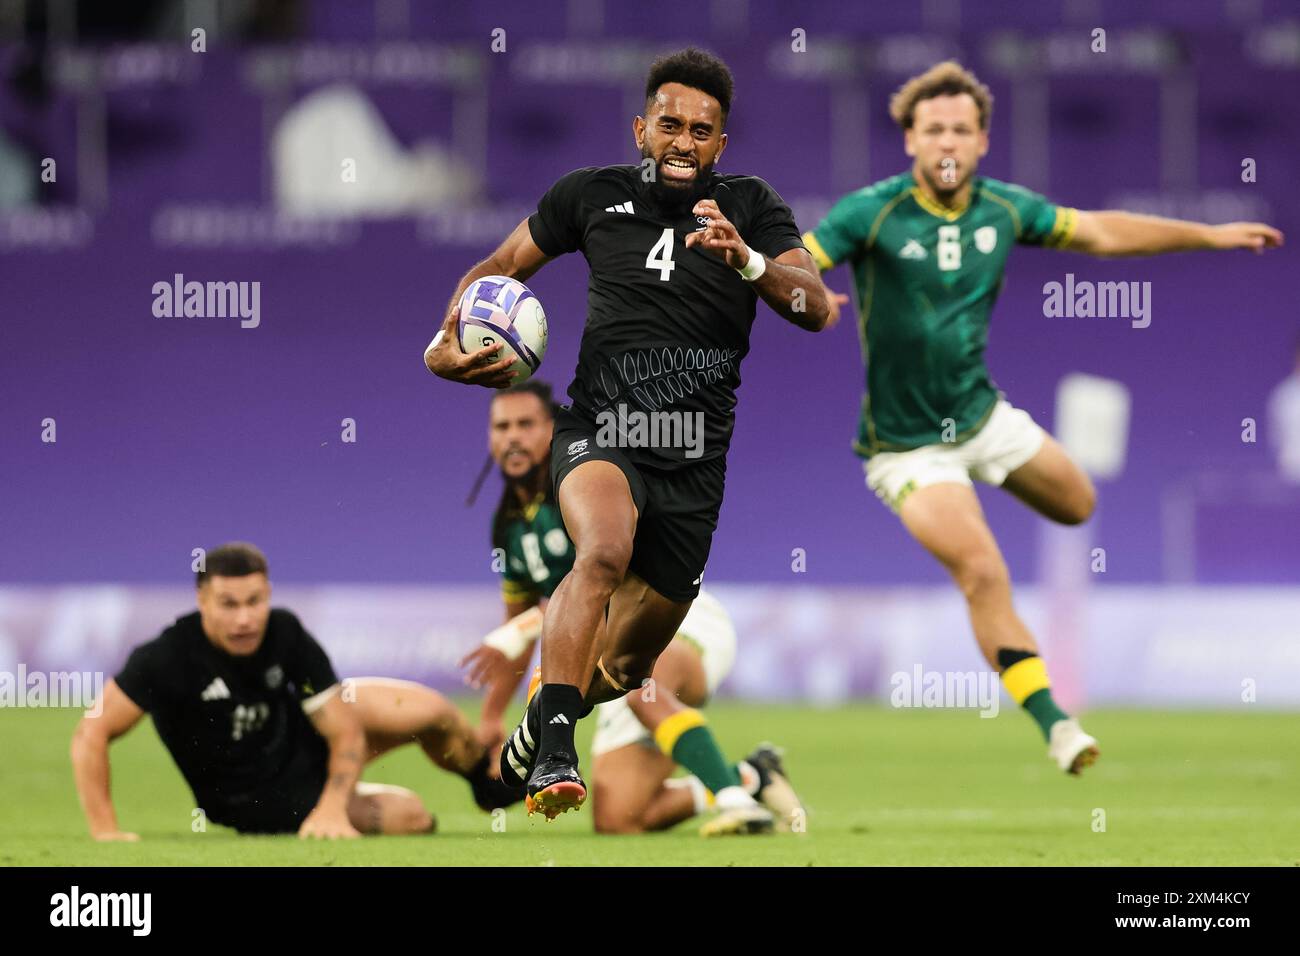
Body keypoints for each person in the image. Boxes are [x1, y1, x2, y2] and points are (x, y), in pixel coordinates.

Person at [804, 61, 1283, 773]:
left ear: (983, 142)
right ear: (909, 139)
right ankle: (1056, 723)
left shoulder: (1004, 209)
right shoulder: (867, 212)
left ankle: (997, 499)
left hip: (984, 416)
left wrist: (1208, 236)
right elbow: (800, 262)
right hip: (907, 447)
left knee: (1077, 501)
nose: (947, 142)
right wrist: (802, 293)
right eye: (932, 128)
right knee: (983, 571)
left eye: (961, 130)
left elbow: (1102, 233)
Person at [426, 48, 828, 817]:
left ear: (721, 146)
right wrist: (443, 338)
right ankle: (552, 756)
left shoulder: (752, 206)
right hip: (600, 430)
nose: (684, 141)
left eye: (702, 131)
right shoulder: (589, 196)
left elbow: (812, 307)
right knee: (602, 550)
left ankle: (541, 726)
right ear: (641, 129)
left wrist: (746, 260)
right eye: (670, 125)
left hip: (695, 461)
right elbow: (502, 264)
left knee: (627, 662)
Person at [461, 381, 802, 834]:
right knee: (619, 818)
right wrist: (489, 718)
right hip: (606, 646)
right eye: (502, 426)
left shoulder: (586, 483)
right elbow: (530, 635)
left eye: (527, 424)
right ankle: (751, 775)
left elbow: (602, 582)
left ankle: (736, 802)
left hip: (671, 619)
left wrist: (515, 632)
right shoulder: (509, 526)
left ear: (554, 431)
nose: (513, 437)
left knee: (643, 684)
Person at [71, 542, 517, 840]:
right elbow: (90, 734)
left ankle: (491, 782)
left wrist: (333, 807)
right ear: (202, 602)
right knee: (412, 816)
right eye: (229, 605)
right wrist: (105, 831)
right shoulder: (166, 656)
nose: (245, 619)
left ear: (267, 594)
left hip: (301, 738)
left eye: (254, 602)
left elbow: (344, 731)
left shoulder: (283, 632)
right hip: (254, 798)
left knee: (430, 709)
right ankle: (363, 801)